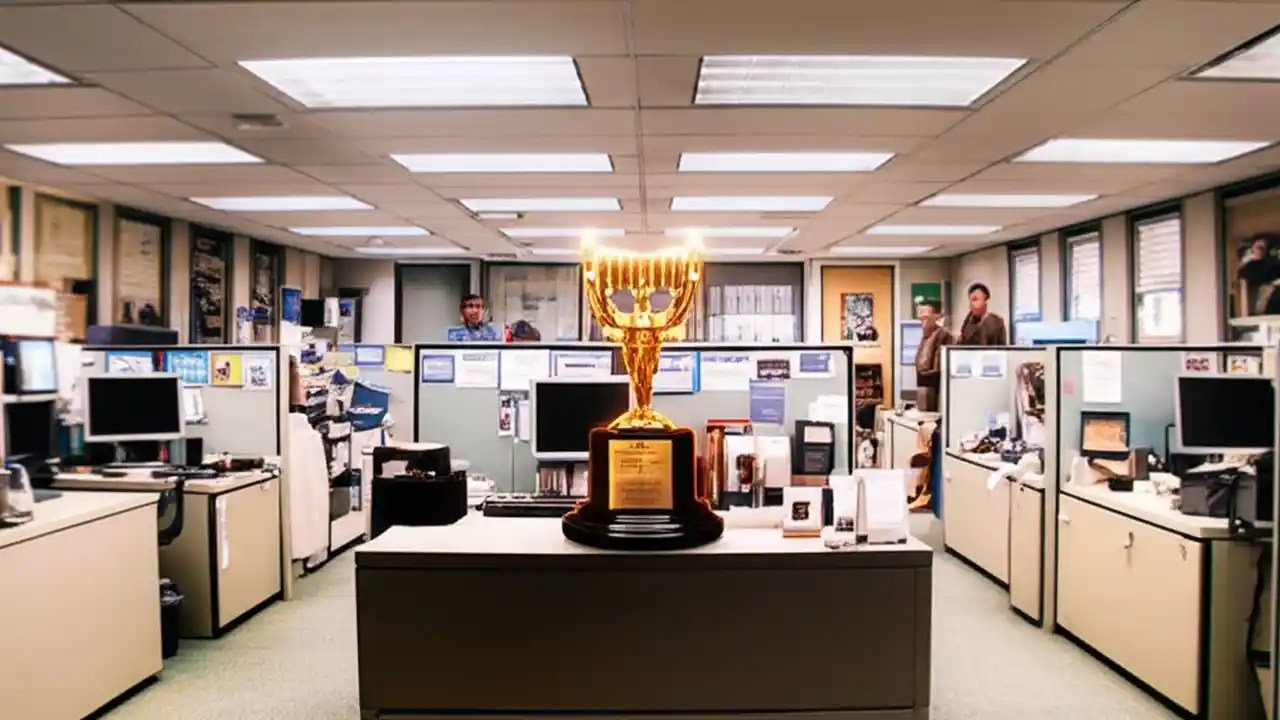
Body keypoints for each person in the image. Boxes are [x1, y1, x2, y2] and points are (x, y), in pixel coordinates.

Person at [913, 300, 951, 412]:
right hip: (924, 389)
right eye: (920, 319)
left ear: (936, 316)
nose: (922, 323)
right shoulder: (925, 337)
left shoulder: (943, 336)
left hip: (936, 391)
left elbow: (939, 370)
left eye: (925, 318)